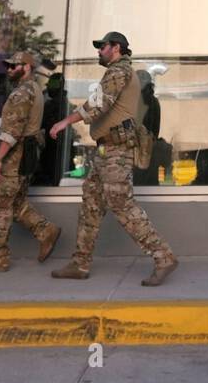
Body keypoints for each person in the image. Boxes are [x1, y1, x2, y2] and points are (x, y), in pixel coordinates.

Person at [48, 31, 178, 286]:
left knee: (122, 205)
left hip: (117, 152)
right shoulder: (116, 72)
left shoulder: (119, 71)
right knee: (91, 205)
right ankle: (80, 262)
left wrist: (65, 121)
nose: (98, 50)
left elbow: (97, 104)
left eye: (102, 46)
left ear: (116, 48)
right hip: (106, 151)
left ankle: (163, 257)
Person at [0, 52, 61, 272]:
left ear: (26, 67)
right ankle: (46, 231)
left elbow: (11, 131)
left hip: (15, 157)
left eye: (13, 66)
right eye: (7, 67)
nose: (9, 70)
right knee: (16, 204)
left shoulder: (21, 93)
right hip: (26, 157)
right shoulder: (35, 89)